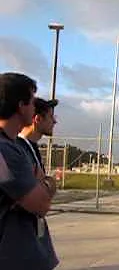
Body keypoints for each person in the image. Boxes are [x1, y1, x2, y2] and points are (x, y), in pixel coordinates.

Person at [0, 72, 58, 270]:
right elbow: (40, 204)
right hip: (13, 257)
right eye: (32, 101)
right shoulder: (5, 150)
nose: (35, 107)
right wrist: (46, 184)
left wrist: (41, 185)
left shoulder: (12, 145)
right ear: (20, 105)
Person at [18, 97, 58, 173]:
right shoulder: (20, 149)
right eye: (51, 116)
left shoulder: (31, 146)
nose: (54, 121)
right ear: (38, 119)